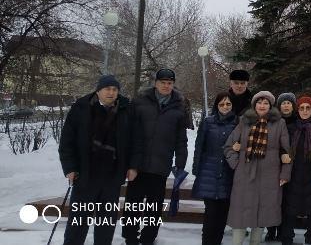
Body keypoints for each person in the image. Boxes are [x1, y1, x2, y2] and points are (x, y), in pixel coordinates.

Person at [59, 74, 136, 245]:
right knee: (79, 220)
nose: (111, 92)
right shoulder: (81, 108)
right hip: (85, 173)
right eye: (107, 89)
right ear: (99, 90)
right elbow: (67, 141)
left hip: (112, 175)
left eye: (115, 89)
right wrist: (70, 168)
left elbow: (135, 141)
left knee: (106, 222)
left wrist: (132, 166)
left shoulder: (126, 110)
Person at [123, 68, 188, 245]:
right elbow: (128, 133)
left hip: (161, 165)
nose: (166, 86)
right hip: (138, 164)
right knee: (133, 205)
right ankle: (130, 237)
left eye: (170, 83)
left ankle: (148, 238)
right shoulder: (139, 102)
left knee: (154, 207)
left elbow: (181, 139)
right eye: (163, 82)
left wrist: (180, 162)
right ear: (155, 83)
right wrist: (128, 161)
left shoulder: (179, 107)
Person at [225, 91, 291, 245]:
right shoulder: (244, 121)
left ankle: (255, 242)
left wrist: (285, 173)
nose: (262, 105)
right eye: (259, 102)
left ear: (270, 106)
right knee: (241, 214)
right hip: (245, 174)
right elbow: (229, 146)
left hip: (269, 176)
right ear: (254, 105)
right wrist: (236, 163)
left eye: (266, 103)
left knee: (262, 214)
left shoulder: (279, 123)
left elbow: (287, 151)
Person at [192, 92, 238, 245]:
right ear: (217, 106)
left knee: (222, 214)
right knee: (211, 213)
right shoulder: (208, 122)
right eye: (222, 104)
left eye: (228, 104)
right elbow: (199, 146)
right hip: (209, 172)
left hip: (228, 174)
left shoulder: (237, 123)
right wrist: (196, 168)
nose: (225, 107)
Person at [280, 96, 311, 245]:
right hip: (294, 172)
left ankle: (310, 237)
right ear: (297, 110)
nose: (305, 111)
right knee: (290, 208)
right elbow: (283, 147)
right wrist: (283, 155)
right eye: (301, 108)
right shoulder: (290, 128)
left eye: (308, 108)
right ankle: (287, 237)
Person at [266, 92, 298, 241]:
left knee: (287, 203)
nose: (286, 105)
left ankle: (286, 232)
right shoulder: (272, 121)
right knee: (272, 201)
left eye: (289, 103)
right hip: (273, 165)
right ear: (279, 106)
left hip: (293, 166)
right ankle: (271, 230)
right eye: (283, 103)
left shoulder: (298, 121)